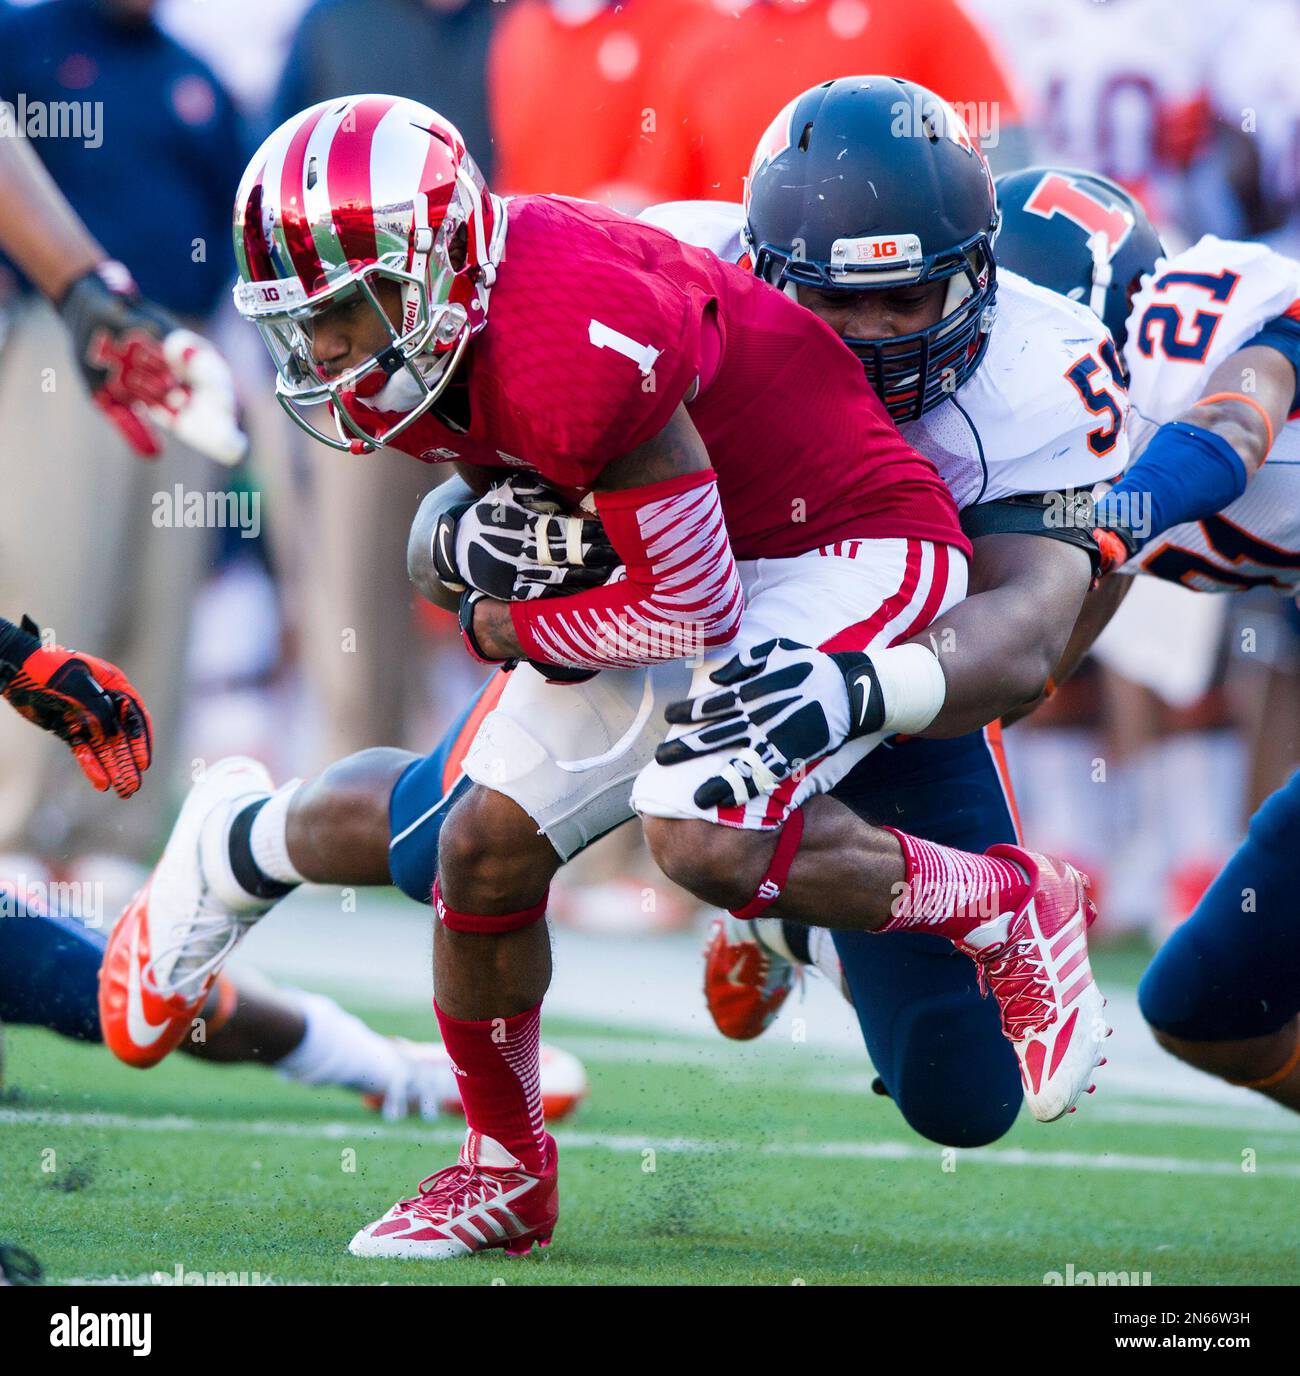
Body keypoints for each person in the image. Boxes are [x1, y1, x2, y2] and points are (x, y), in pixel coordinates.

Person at [101, 92, 1106, 1263]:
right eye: (831, 299)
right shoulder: (468, 310)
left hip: (854, 555)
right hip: (695, 544)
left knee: (726, 853)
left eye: (904, 295)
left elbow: (970, 638)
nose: (869, 333)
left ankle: (996, 901)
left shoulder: (1035, 364)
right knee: (472, 842)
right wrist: (470, 556)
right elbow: (490, 520)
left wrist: (499, 620)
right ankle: (503, 1170)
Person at [991, 167, 1300, 1112]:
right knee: (1208, 1006)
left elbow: (1231, 426)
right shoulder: (1079, 440)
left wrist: (1106, 518)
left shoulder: (1187, 336)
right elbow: (1028, 669)